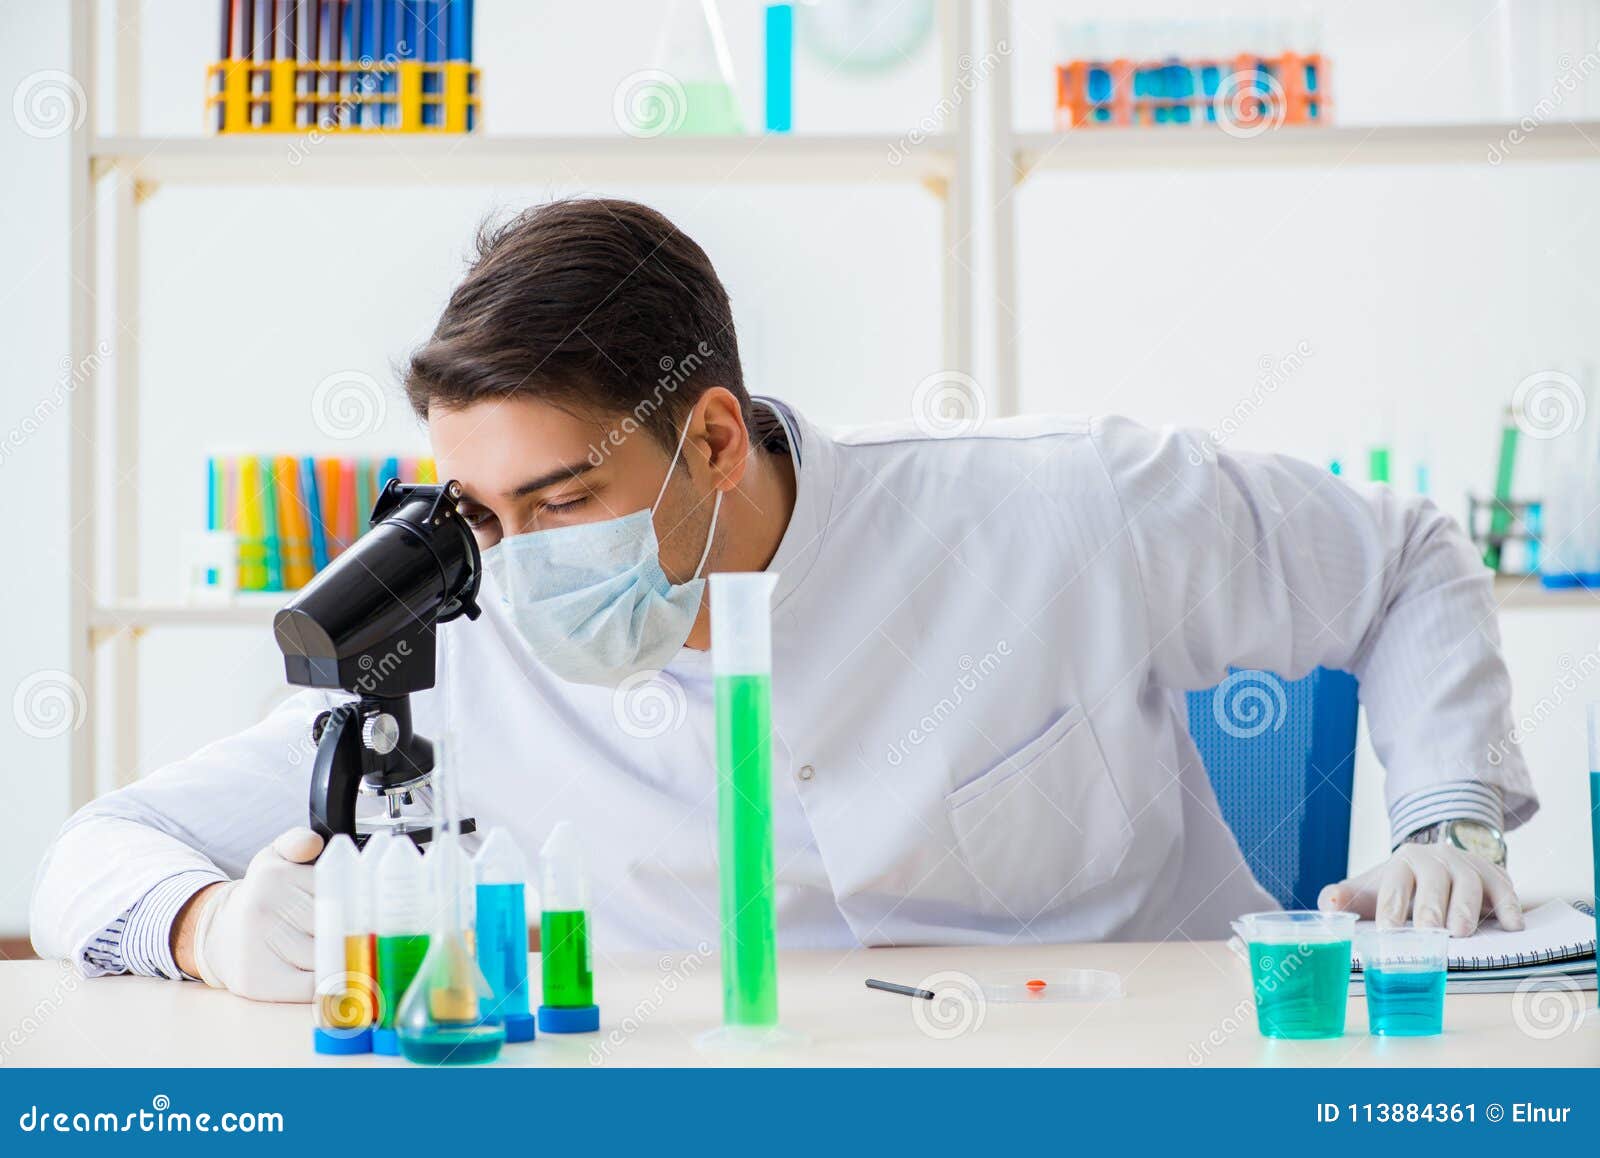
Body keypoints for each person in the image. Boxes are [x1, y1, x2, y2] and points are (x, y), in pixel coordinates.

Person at [31, 199, 1535, 1002]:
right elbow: (93, 854)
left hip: (1152, 1084)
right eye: (481, 512)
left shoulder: (1065, 506)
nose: (517, 551)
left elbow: (1403, 558)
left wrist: (1447, 812)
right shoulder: (450, 649)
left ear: (713, 436)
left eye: (560, 501)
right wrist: (210, 925)